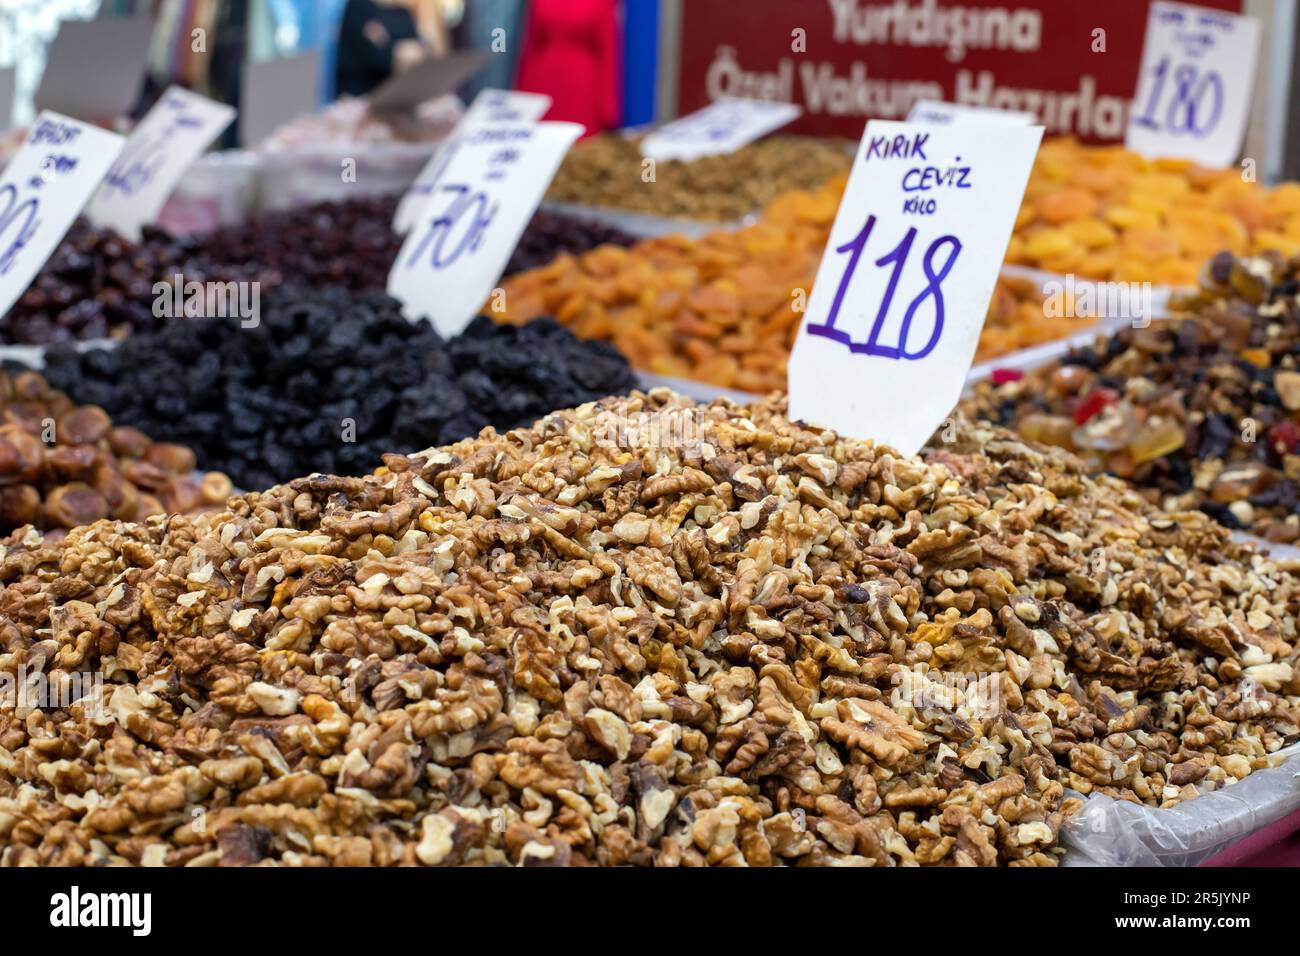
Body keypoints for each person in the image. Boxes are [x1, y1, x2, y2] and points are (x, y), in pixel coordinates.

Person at [334, 0, 450, 98]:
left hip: (401, 97)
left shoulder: (403, 13)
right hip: (363, 97)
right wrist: (400, 54)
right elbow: (376, 58)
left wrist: (393, 48)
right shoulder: (358, 7)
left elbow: (420, 52)